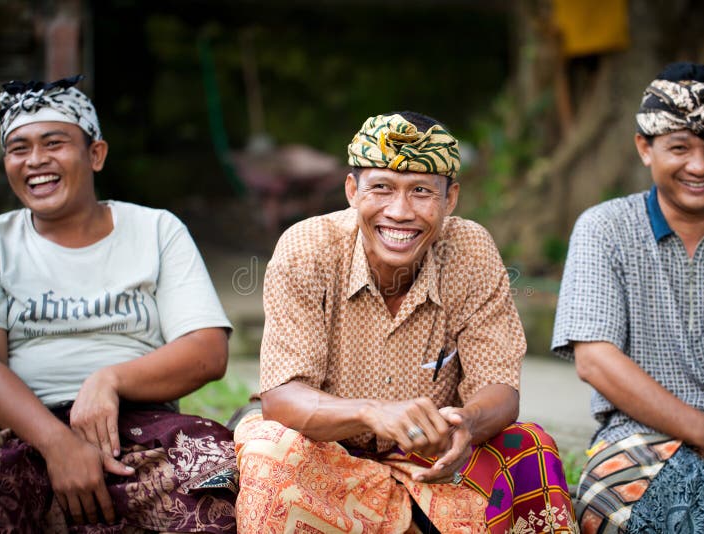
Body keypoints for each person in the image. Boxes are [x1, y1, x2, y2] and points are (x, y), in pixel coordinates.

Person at [233, 111, 578, 533]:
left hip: (431, 458)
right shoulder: (307, 248)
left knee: (530, 447)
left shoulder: (472, 251)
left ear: (449, 200)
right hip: (328, 453)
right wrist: (370, 412)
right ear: (352, 191)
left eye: (420, 191)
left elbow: (500, 388)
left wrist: (466, 424)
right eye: (381, 188)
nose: (400, 211)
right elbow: (282, 399)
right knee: (272, 450)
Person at [0, 75, 238, 532]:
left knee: (223, 474)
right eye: (18, 149)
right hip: (18, 430)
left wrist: (110, 380)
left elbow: (207, 350)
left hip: (139, 430)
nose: (36, 160)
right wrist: (58, 444)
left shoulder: (156, 230)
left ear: (95, 154)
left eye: (54, 142)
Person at [552, 61, 704, 533]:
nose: (699, 166)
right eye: (679, 147)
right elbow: (594, 359)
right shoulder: (605, 229)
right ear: (645, 148)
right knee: (623, 509)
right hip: (641, 437)